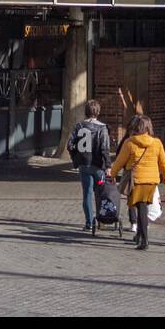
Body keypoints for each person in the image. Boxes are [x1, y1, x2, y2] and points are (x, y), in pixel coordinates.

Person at [109, 115, 165, 250]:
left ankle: (144, 240)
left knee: (141, 208)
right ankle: (139, 236)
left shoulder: (129, 143)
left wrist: (112, 174)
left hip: (136, 180)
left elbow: (119, 161)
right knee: (143, 207)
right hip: (152, 181)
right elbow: (164, 162)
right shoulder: (157, 142)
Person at [67, 99, 111, 231]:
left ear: (85, 111)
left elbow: (70, 145)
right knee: (100, 193)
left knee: (87, 194)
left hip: (84, 165)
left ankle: (88, 222)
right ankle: (101, 220)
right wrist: (108, 165)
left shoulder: (79, 126)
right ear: (98, 111)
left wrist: (76, 156)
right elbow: (105, 148)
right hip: (98, 165)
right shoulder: (102, 128)